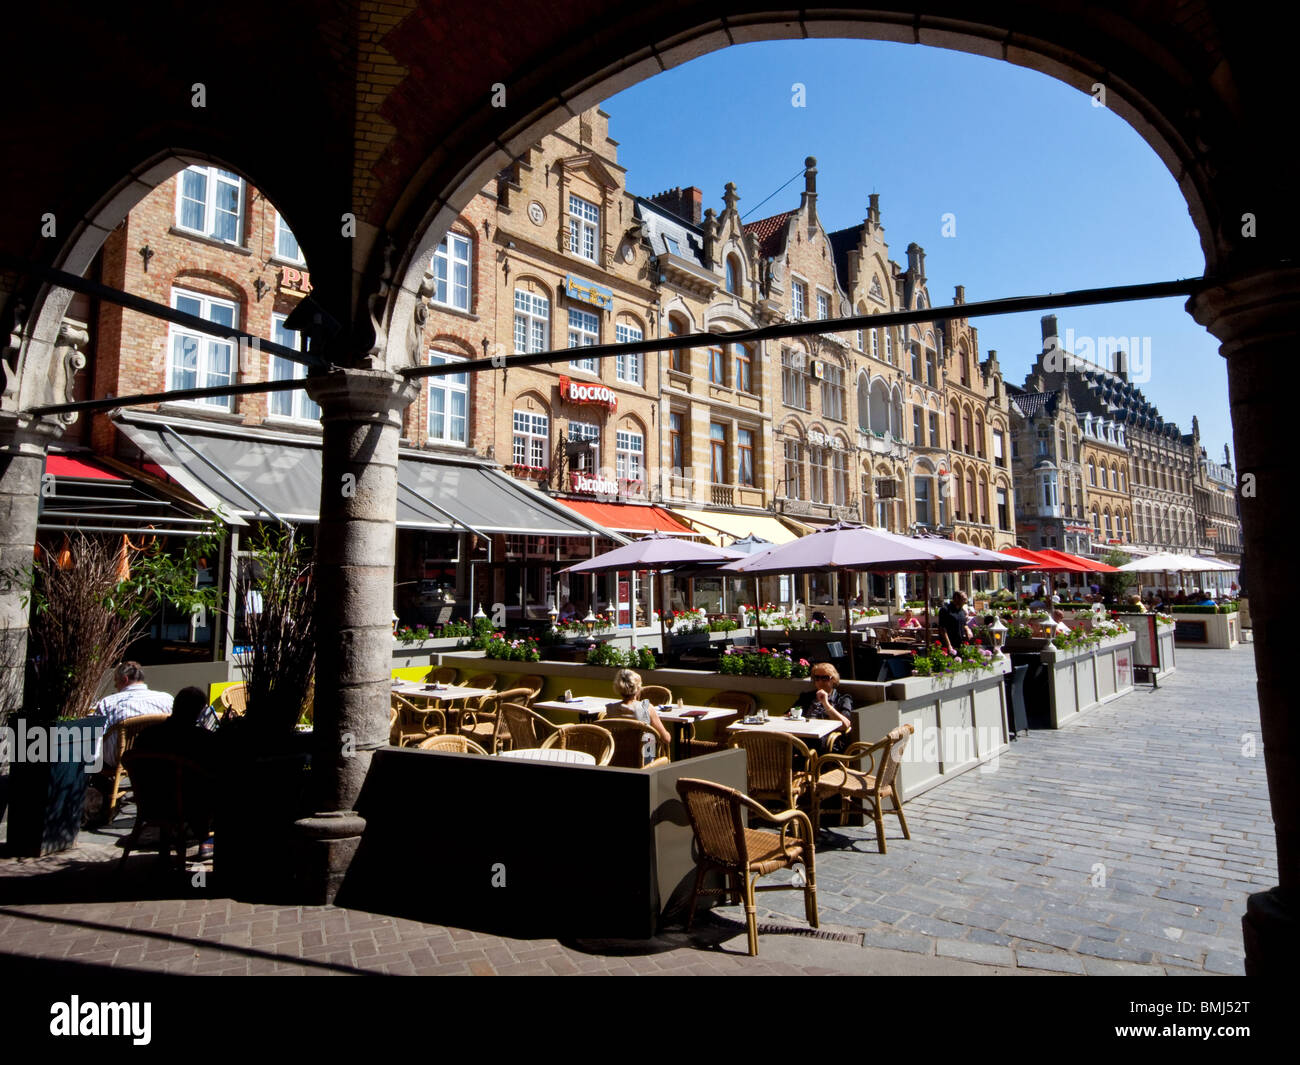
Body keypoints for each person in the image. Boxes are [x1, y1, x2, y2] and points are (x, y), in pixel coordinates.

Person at [93, 661, 174, 771]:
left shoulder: (108, 703)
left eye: (116, 681)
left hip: (122, 761)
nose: (115, 686)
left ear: (125, 679)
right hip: (159, 758)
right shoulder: (166, 699)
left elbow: (96, 735)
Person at [604, 669, 672, 766]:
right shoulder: (646, 708)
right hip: (645, 762)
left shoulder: (610, 709)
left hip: (616, 761)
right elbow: (666, 739)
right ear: (638, 688)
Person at [791, 662, 853, 753]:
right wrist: (791, 715)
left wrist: (826, 703)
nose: (820, 682)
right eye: (817, 678)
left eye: (825, 678)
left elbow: (845, 725)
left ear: (833, 680)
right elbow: (790, 713)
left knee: (809, 743)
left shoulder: (843, 699)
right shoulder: (806, 697)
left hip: (826, 739)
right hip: (805, 734)